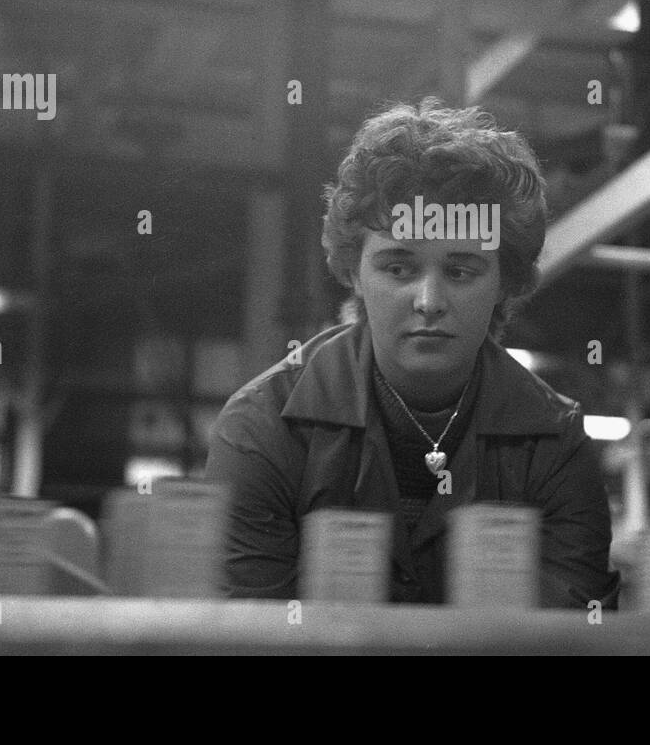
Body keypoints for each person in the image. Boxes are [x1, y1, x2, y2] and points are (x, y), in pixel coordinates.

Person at [204, 99, 619, 608]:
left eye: (461, 270)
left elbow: (568, 644)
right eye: (399, 268)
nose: (429, 302)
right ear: (354, 272)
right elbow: (248, 643)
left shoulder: (555, 444)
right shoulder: (264, 428)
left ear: (504, 281)